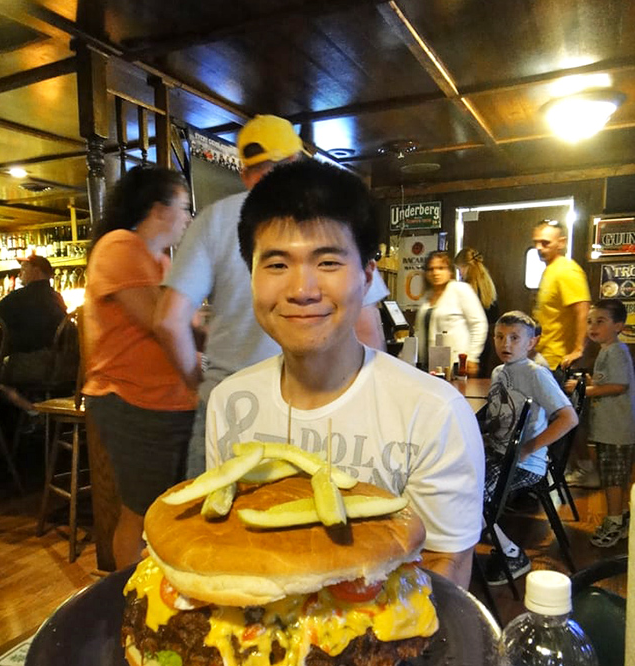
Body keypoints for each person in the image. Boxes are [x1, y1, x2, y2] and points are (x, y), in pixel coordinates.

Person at [206, 158, 485, 588]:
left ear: (367, 277)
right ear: (252, 277)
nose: (302, 290)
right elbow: (226, 539)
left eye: (328, 263)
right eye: (277, 265)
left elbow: (445, 567)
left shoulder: (433, 413)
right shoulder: (230, 402)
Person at [154, 114, 390, 479]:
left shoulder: (213, 219)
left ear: (244, 171)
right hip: (321, 406)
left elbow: (168, 321)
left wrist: (200, 387)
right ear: (296, 162)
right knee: (321, 528)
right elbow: (368, 330)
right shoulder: (329, 217)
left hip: (228, 407)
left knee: (212, 530)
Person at [82, 165, 197, 570]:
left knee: (176, 509)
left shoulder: (161, 262)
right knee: (141, 511)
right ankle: (126, 603)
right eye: (184, 208)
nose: (187, 218)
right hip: (135, 402)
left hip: (168, 404)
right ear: (158, 208)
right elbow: (162, 321)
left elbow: (189, 322)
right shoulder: (119, 246)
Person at [482, 311, 577, 585]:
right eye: (500, 337)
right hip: (499, 453)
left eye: (514, 338)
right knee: (455, 476)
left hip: (525, 462)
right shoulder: (499, 372)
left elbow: (569, 418)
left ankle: (513, 555)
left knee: (472, 494)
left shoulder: (536, 375)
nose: (506, 344)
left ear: (531, 343)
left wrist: (528, 448)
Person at [565, 300, 635, 548]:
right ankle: (622, 517)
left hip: (617, 429)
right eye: (590, 321)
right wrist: (590, 380)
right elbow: (609, 381)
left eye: (600, 321)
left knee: (613, 479)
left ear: (618, 325)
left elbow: (619, 386)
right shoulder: (608, 351)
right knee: (613, 476)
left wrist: (583, 389)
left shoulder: (615, 351)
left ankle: (614, 521)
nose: (592, 326)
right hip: (611, 428)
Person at [0, 254, 67, 383]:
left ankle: (24, 403)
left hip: (31, 365)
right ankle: (32, 400)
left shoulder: (20, 296)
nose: (20, 274)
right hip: (60, 364)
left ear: (36, 272)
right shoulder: (56, 297)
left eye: (24, 269)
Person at [414, 251, 488, 375]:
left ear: (450, 271)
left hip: (455, 364)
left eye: (441, 268)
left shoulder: (460, 290)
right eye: (431, 269)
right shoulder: (426, 298)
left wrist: (472, 356)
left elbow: (479, 324)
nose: (436, 273)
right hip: (428, 366)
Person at [532, 219, 590, 370]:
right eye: (536, 242)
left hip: (558, 361)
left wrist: (578, 350)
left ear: (561, 243)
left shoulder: (567, 271)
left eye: (545, 243)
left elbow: (583, 311)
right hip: (543, 357)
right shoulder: (550, 270)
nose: (539, 247)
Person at [454, 247, 499, 375]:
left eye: (459, 269)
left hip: (471, 342)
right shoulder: (488, 284)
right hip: (487, 342)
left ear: (466, 266)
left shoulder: (466, 288)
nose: (460, 273)